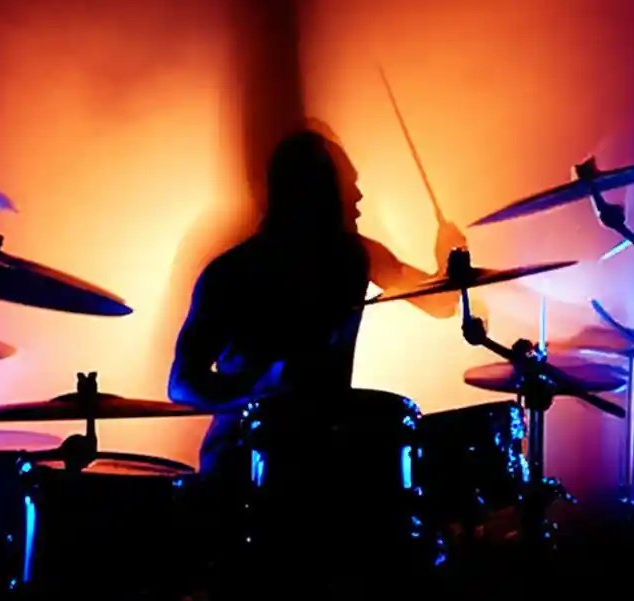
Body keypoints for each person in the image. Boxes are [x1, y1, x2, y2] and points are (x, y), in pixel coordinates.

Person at [167, 124, 472, 481]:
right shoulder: (233, 273)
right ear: (316, 192)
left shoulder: (355, 256)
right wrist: (264, 385)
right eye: (348, 185)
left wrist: (451, 259)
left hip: (324, 455)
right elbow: (182, 383)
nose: (359, 196)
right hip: (243, 459)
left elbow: (441, 304)